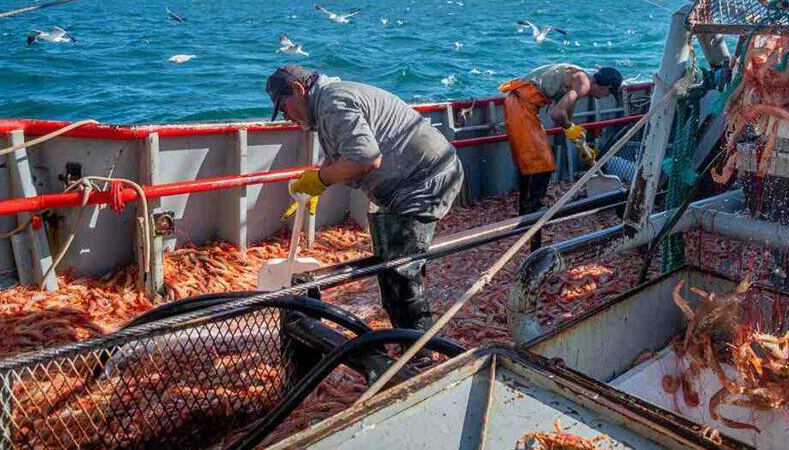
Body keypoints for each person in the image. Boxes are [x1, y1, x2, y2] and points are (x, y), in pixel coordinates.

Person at [266, 65, 464, 333]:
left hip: (424, 180)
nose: (287, 117)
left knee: (398, 274)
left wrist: (321, 179)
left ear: (299, 90)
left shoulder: (332, 103)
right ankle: (414, 337)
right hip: (416, 179)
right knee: (399, 264)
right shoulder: (330, 99)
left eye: (284, 107)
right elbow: (344, 152)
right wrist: (318, 184)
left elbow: (366, 158)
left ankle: (421, 355)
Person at [498, 63, 623, 233]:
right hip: (520, 105)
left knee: (539, 159)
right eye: (609, 92)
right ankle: (529, 214)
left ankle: (532, 208)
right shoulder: (584, 84)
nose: (606, 97)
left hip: (522, 104)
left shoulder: (580, 80)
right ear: (607, 87)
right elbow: (557, 114)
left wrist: (579, 141)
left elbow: (566, 115)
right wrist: (570, 128)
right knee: (538, 160)